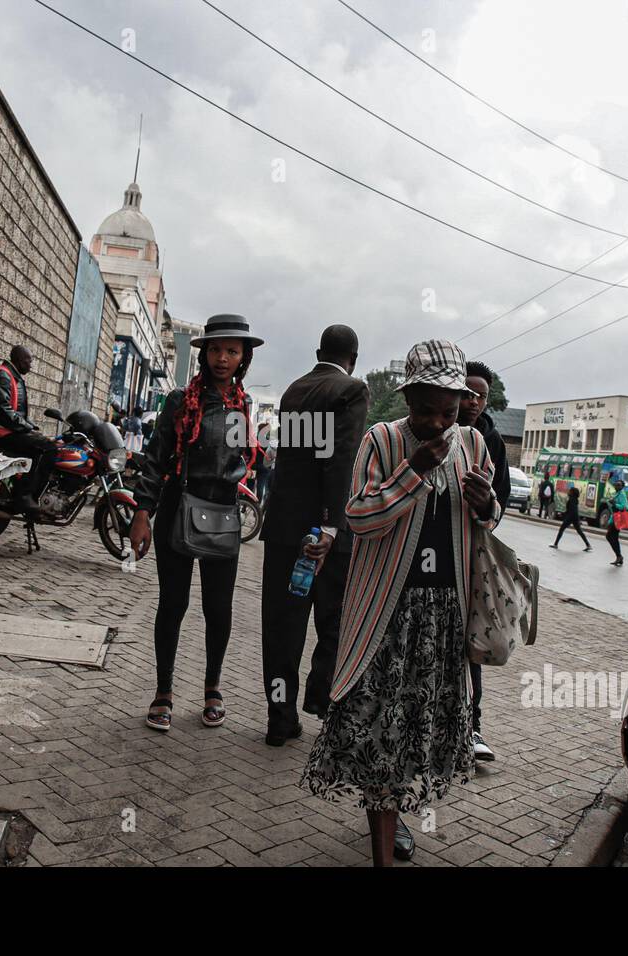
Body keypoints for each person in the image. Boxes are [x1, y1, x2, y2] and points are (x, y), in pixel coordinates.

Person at [301, 339, 499, 868]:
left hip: (443, 616)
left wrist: (487, 506)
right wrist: (412, 471)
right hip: (385, 612)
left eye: (449, 411)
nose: (438, 422)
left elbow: (487, 520)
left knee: (416, 725)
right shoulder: (382, 440)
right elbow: (361, 518)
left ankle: (396, 822)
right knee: (379, 730)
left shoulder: (474, 445)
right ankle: (383, 854)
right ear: (408, 397)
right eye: (426, 409)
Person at [128, 314, 263, 733]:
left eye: (232, 351)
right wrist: (142, 512)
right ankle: (163, 692)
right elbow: (155, 458)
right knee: (173, 604)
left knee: (218, 608)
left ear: (243, 358)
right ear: (204, 353)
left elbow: (239, 459)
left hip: (223, 515)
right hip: (175, 511)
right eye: (216, 349)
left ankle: (213, 689)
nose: (223, 358)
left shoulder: (243, 405)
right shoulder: (179, 400)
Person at [259, 324, 369, 747]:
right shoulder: (352, 391)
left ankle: (279, 719)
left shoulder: (294, 391)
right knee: (334, 623)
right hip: (324, 537)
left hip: (285, 530)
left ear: (318, 351)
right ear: (353, 359)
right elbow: (338, 461)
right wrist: (328, 524)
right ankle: (322, 703)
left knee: (282, 628)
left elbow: (300, 459)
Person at [455, 360, 510, 765]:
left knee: (473, 640)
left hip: (474, 554)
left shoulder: (491, 440)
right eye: (468, 393)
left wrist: (487, 503)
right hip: (435, 556)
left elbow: (500, 504)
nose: (474, 402)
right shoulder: (431, 429)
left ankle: (472, 727)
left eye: (481, 397)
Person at [0, 346, 56, 514]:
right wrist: (28, 428)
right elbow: (2, 411)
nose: (31, 365)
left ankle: (24, 492)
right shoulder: (2, 375)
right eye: (28, 361)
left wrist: (30, 427)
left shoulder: (12, 377)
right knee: (47, 448)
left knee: (45, 443)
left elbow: (15, 412)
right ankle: (24, 497)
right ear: (18, 359)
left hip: (2, 431)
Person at [550, 486, 592, 551]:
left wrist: (565, 515)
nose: (568, 492)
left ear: (572, 493)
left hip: (571, 517)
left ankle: (555, 544)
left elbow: (571, 510)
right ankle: (588, 545)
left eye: (570, 491)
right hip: (575, 517)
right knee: (580, 531)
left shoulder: (571, 499)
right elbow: (573, 509)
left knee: (561, 529)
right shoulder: (575, 500)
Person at [602, 474, 628, 566]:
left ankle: (619, 556)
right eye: (616, 484)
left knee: (610, 536)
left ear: (622, 487)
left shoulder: (622, 494)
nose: (616, 486)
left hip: (618, 519)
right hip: (614, 517)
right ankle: (619, 556)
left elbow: (625, 507)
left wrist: (615, 504)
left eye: (619, 485)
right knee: (612, 537)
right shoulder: (616, 494)